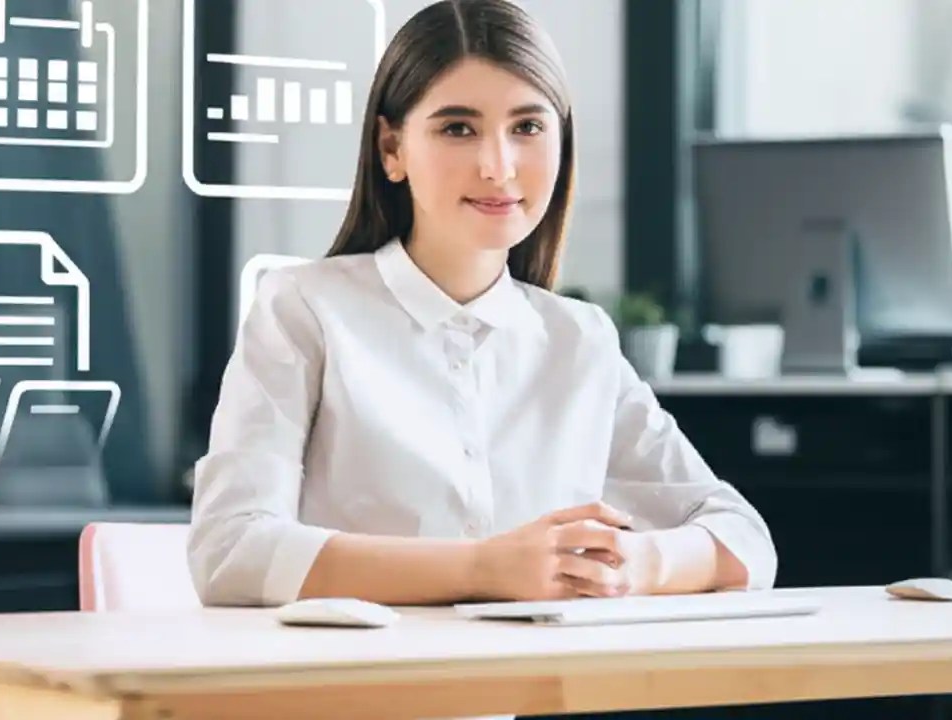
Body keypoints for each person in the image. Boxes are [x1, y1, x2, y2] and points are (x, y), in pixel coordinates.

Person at [187, 0, 777, 609]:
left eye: (528, 128)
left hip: (523, 698)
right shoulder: (304, 309)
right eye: (458, 128)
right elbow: (232, 552)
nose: (498, 167)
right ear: (392, 148)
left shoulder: (579, 339)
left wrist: (635, 564)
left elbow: (745, 542)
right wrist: (480, 568)